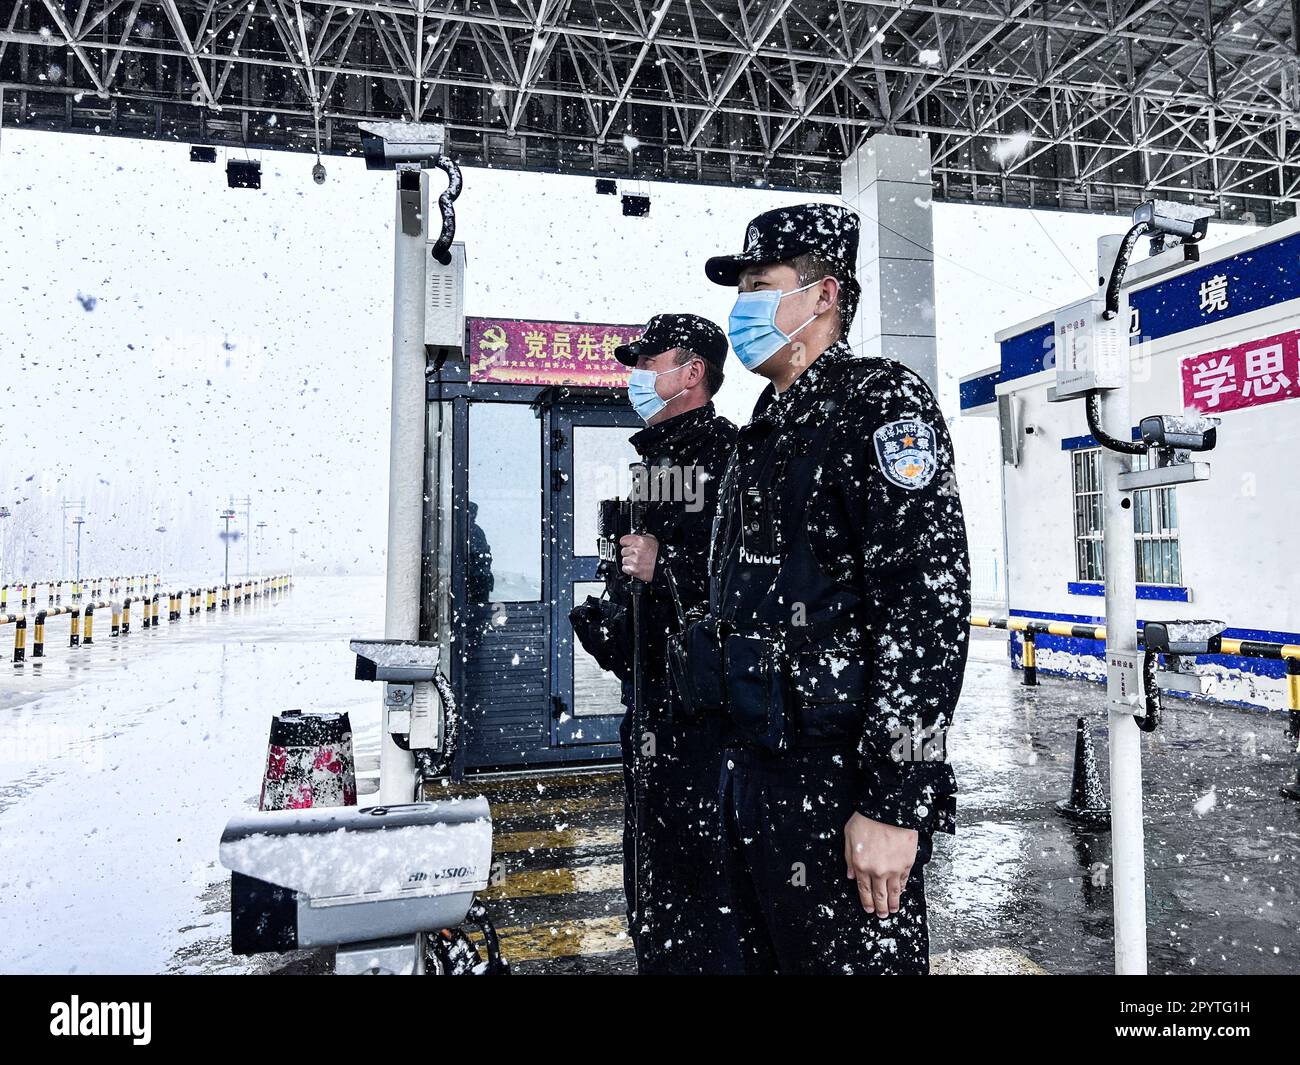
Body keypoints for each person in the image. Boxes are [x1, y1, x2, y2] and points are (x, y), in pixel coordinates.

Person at [680, 203, 970, 974]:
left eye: (759, 284)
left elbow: (927, 608)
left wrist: (895, 803)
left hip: (840, 791)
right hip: (757, 781)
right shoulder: (763, 431)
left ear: (823, 296)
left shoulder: (877, 404)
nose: (742, 307)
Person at [569, 313, 737, 973]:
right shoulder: (657, 462)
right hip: (653, 720)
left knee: (701, 906)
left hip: (703, 732)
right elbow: (660, 610)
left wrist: (665, 566)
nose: (635, 375)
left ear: (692, 372)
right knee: (655, 902)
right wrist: (614, 628)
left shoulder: (725, 456)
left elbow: (752, 584)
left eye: (649, 361)